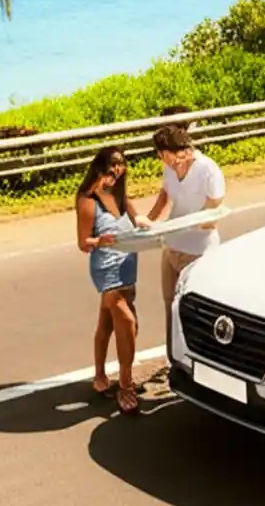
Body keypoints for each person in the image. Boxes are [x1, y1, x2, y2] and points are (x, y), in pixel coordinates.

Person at [75, 146, 150, 414]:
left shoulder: (120, 196)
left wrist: (152, 224)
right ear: (100, 168)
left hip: (128, 266)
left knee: (108, 323)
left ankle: (99, 377)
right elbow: (83, 244)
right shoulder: (88, 200)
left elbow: (139, 219)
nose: (117, 172)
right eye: (112, 167)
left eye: (121, 165)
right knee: (128, 321)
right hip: (106, 268)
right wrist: (100, 240)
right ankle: (126, 386)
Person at [146, 125, 226, 357]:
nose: (163, 160)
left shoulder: (208, 170)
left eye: (164, 155)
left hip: (199, 251)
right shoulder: (170, 169)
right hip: (172, 246)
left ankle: (203, 356)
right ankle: (174, 358)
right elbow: (166, 197)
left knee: (195, 309)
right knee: (170, 306)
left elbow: (212, 212)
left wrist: (194, 223)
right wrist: (149, 222)